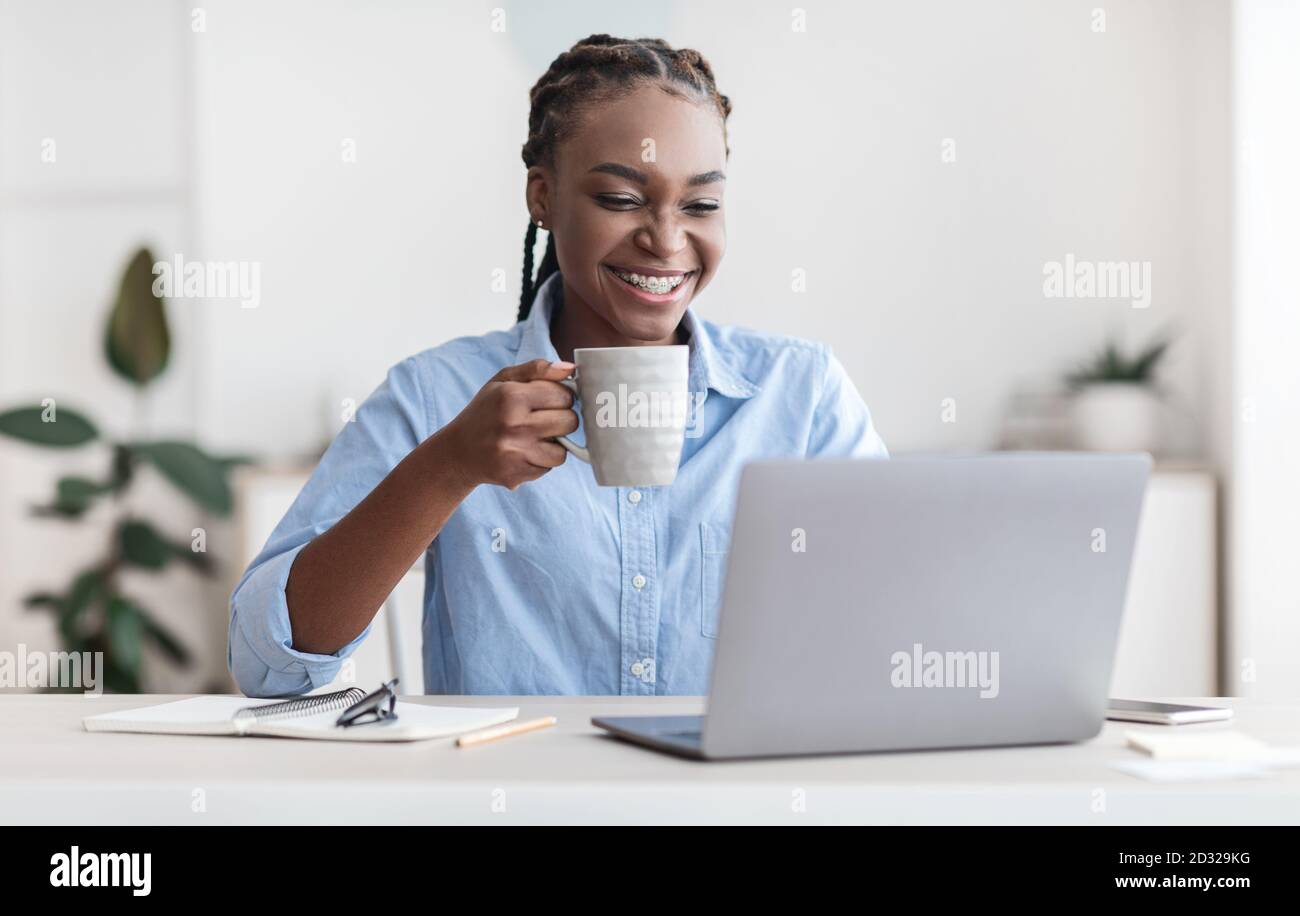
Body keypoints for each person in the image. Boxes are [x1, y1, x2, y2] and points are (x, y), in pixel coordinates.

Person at [228, 34, 887, 698]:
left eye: (701, 205)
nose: (665, 239)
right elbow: (267, 667)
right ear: (543, 197)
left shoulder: (800, 396)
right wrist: (448, 466)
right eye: (622, 200)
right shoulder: (438, 395)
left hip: (735, 802)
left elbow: (901, 627)